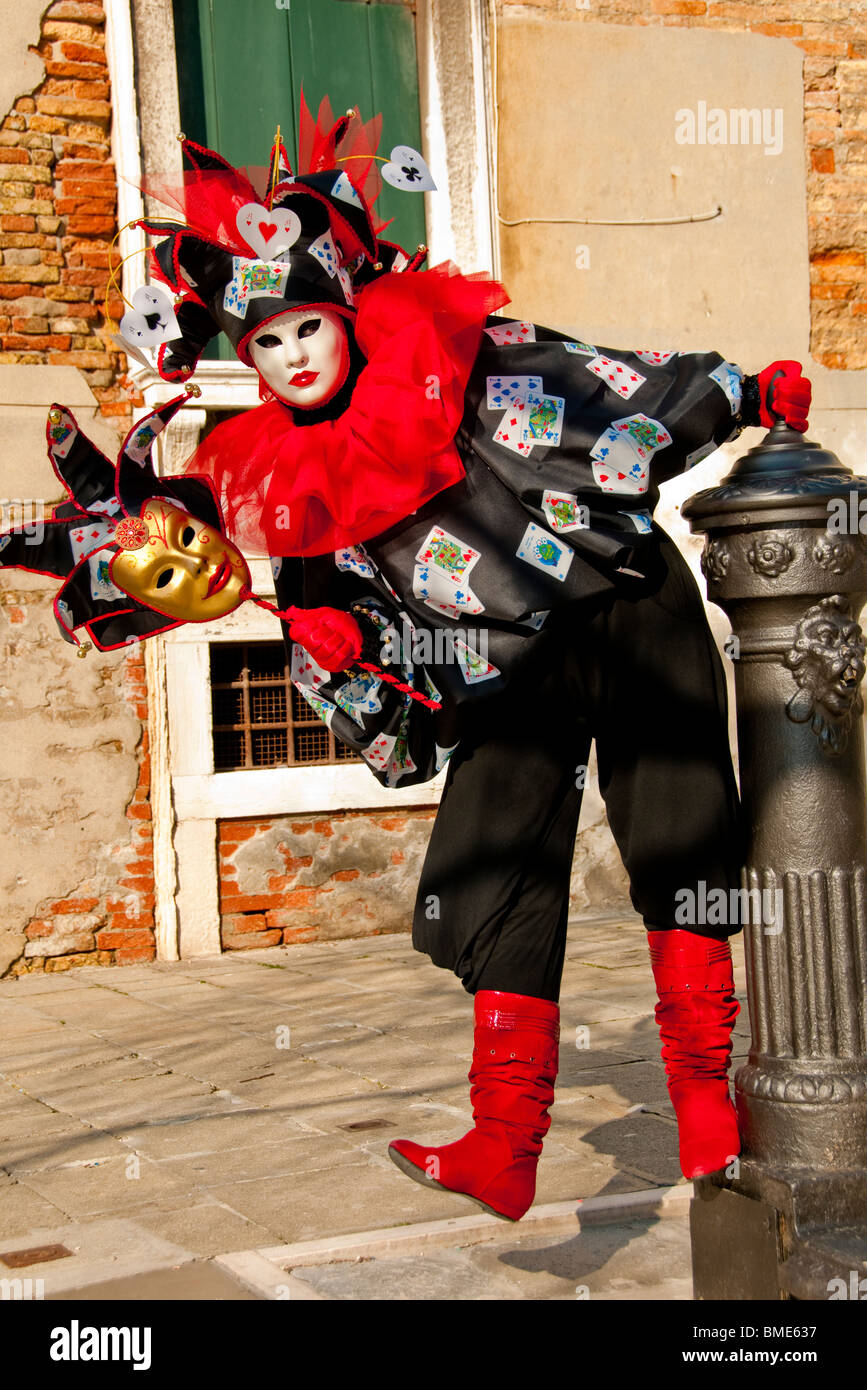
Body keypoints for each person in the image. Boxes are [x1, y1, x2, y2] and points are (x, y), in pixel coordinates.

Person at [41, 96, 819, 1221]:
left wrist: (745, 393)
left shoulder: (455, 351)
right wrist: (344, 645)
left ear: (345, 312)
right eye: (267, 340)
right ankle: (505, 1140)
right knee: (488, 857)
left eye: (308, 325)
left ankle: (706, 1102)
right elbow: (363, 659)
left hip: (629, 604)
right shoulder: (281, 482)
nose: (294, 353)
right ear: (246, 355)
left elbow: (607, 387)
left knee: (679, 822)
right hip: (506, 670)